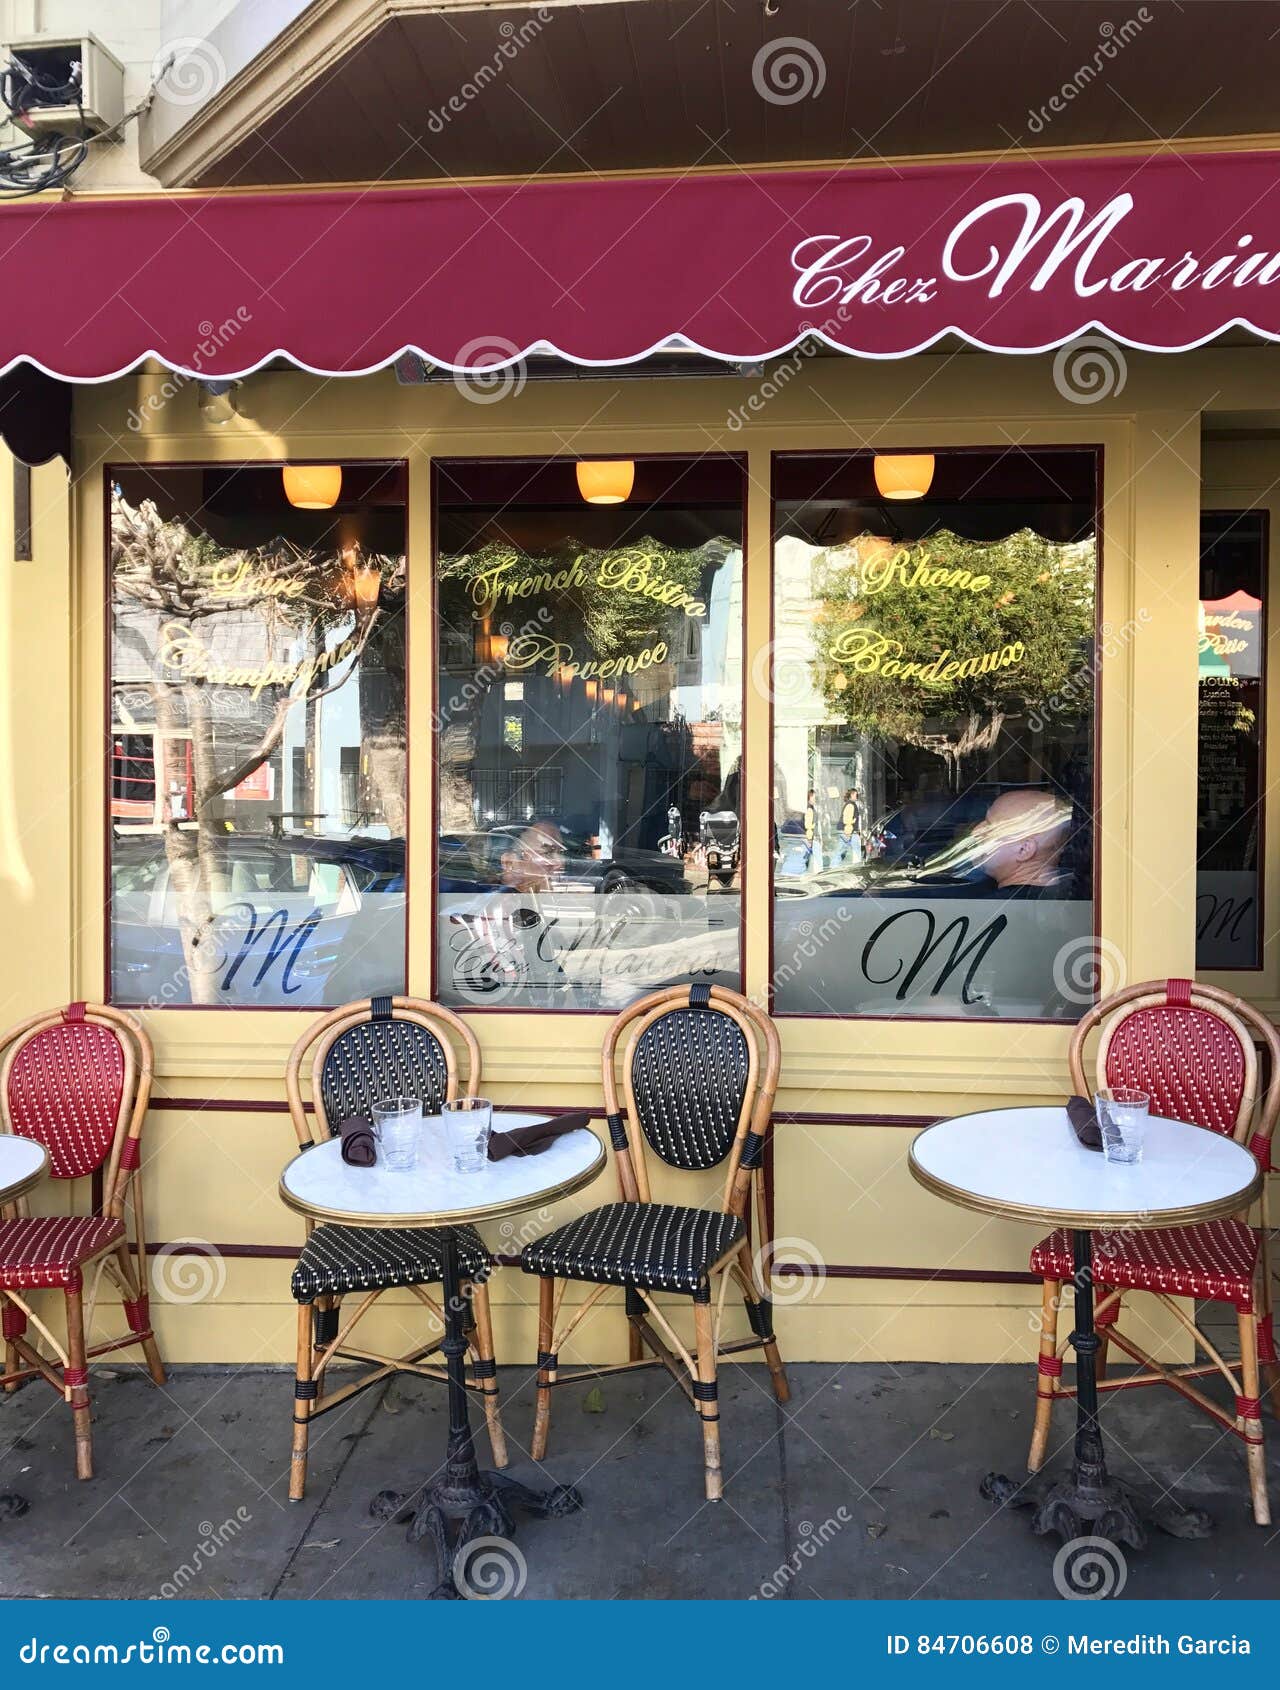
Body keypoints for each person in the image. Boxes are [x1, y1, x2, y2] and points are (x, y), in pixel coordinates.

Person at [970, 789, 1073, 892]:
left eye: (989, 827)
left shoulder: (994, 902)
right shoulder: (1066, 894)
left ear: (1023, 849)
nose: (975, 831)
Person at [831, 787, 862, 867]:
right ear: (852, 795)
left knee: (841, 848)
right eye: (856, 795)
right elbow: (847, 820)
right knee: (856, 847)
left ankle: (834, 865)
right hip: (848, 831)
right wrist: (848, 833)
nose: (857, 796)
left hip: (845, 830)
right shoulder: (851, 805)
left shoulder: (850, 804)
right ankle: (857, 866)